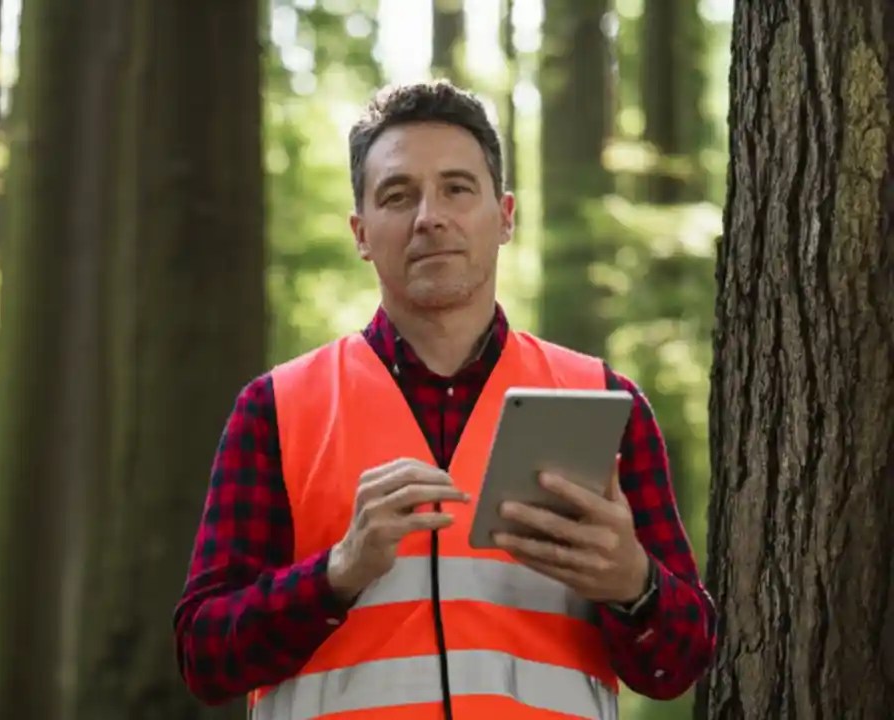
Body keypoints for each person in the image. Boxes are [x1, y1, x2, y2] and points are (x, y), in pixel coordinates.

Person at [172, 80, 716, 719]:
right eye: (398, 196)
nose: (430, 215)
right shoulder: (276, 409)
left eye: (458, 188)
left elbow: (678, 665)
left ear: (505, 215)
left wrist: (636, 585)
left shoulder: (603, 401)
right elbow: (204, 658)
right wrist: (336, 573)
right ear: (361, 232)